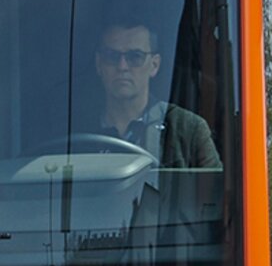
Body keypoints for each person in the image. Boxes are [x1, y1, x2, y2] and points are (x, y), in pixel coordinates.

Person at [92, 19, 221, 169]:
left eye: (135, 57)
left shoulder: (189, 130)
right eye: (112, 56)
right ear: (98, 64)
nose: (122, 66)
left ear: (154, 65)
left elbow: (213, 189)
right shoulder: (76, 128)